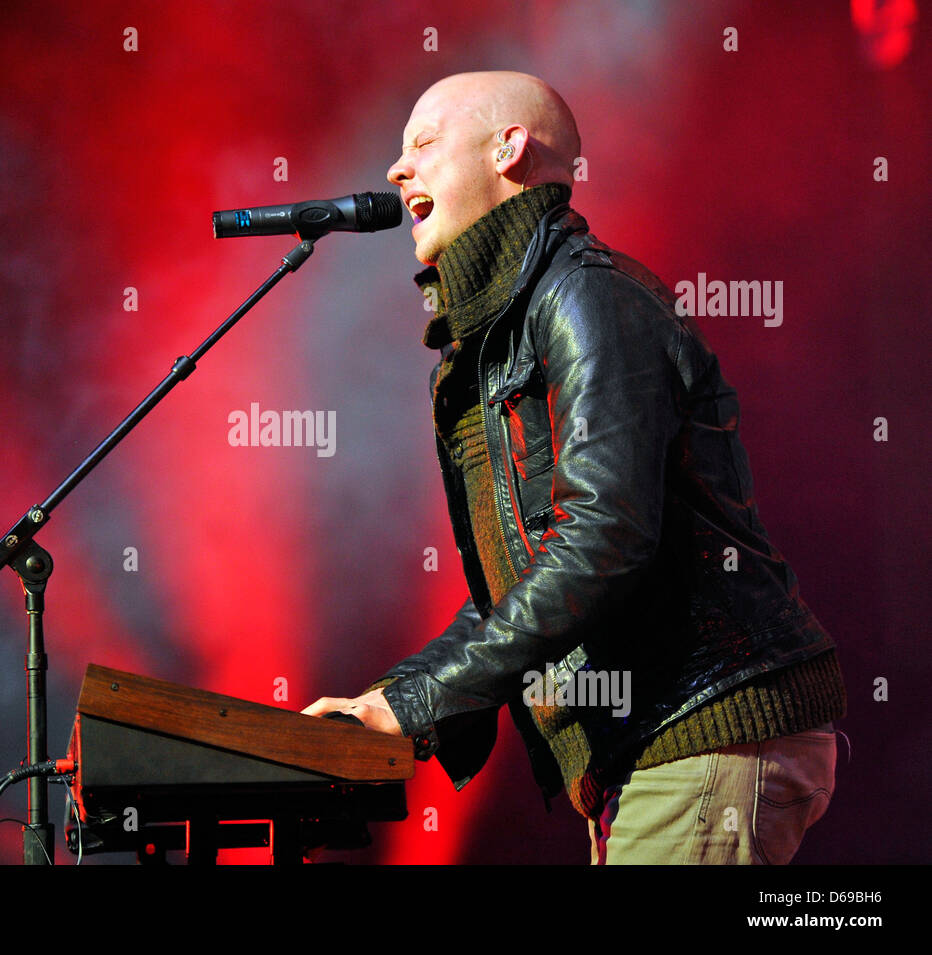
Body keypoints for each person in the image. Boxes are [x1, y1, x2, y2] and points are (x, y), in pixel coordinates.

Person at [302, 72, 846, 864]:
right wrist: (393, 697)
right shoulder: (502, 332)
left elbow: (602, 539)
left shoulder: (587, 297)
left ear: (509, 149)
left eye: (421, 144)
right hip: (658, 744)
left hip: (701, 722)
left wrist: (420, 699)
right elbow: (529, 570)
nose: (395, 170)